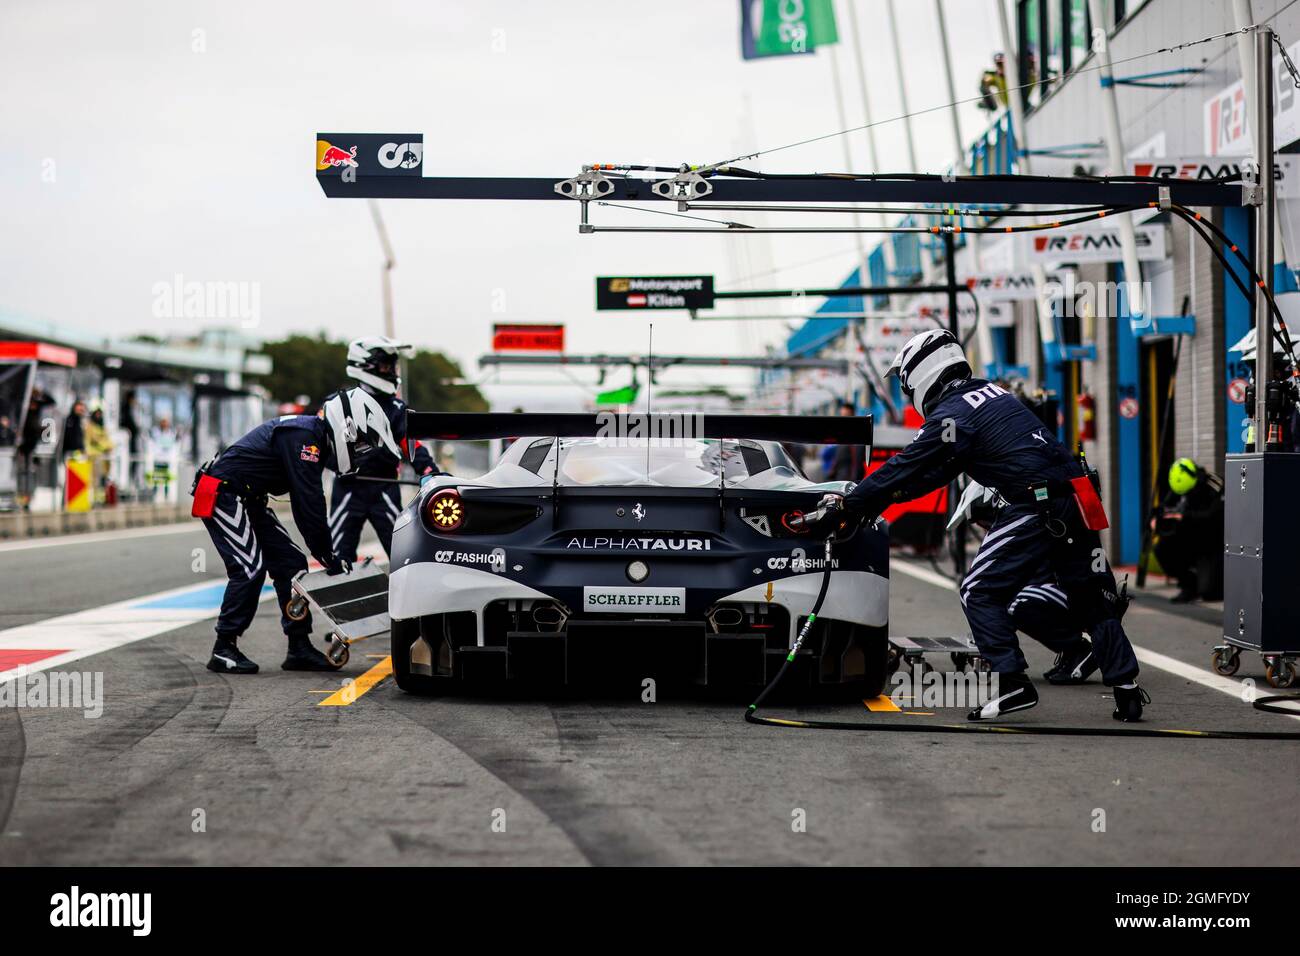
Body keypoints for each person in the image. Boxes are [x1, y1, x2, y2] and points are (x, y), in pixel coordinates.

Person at [822, 329, 1148, 722]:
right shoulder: (991, 395)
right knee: (1093, 599)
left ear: (922, 372)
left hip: (1036, 503)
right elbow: (938, 471)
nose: (909, 396)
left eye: (907, 387)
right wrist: (880, 501)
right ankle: (1128, 692)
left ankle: (1012, 682)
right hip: (1076, 498)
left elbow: (907, 463)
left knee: (978, 590)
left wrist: (851, 502)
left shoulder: (955, 411)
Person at [191, 387, 396, 675]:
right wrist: (327, 555)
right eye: (361, 442)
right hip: (223, 493)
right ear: (347, 427)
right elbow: (308, 501)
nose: (361, 451)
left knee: (292, 564)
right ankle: (223, 648)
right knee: (249, 568)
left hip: (248, 497)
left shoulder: (314, 438)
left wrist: (324, 553)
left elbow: (308, 501)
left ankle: (298, 647)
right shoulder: (304, 438)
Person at [327, 336, 445, 562]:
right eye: (385, 366)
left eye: (392, 366)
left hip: (385, 487)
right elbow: (322, 446)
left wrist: (430, 472)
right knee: (338, 558)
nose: (391, 371)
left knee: (404, 554)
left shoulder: (397, 408)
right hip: (348, 487)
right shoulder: (337, 405)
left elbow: (412, 446)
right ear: (365, 366)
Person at [1152, 458, 1224, 604]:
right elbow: (1163, 508)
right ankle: (1189, 584)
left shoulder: (1213, 484)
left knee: (1210, 594)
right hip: (1189, 539)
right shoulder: (1178, 485)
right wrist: (1156, 520)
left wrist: (1184, 517)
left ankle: (1207, 581)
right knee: (1162, 549)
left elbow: (1214, 517)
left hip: (1211, 543)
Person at [825, 400, 865, 482]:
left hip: (850, 481)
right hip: (839, 478)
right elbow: (837, 458)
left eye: (846, 415)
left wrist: (854, 481)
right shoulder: (843, 434)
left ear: (853, 415)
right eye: (842, 415)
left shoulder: (856, 435)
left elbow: (857, 461)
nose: (843, 418)